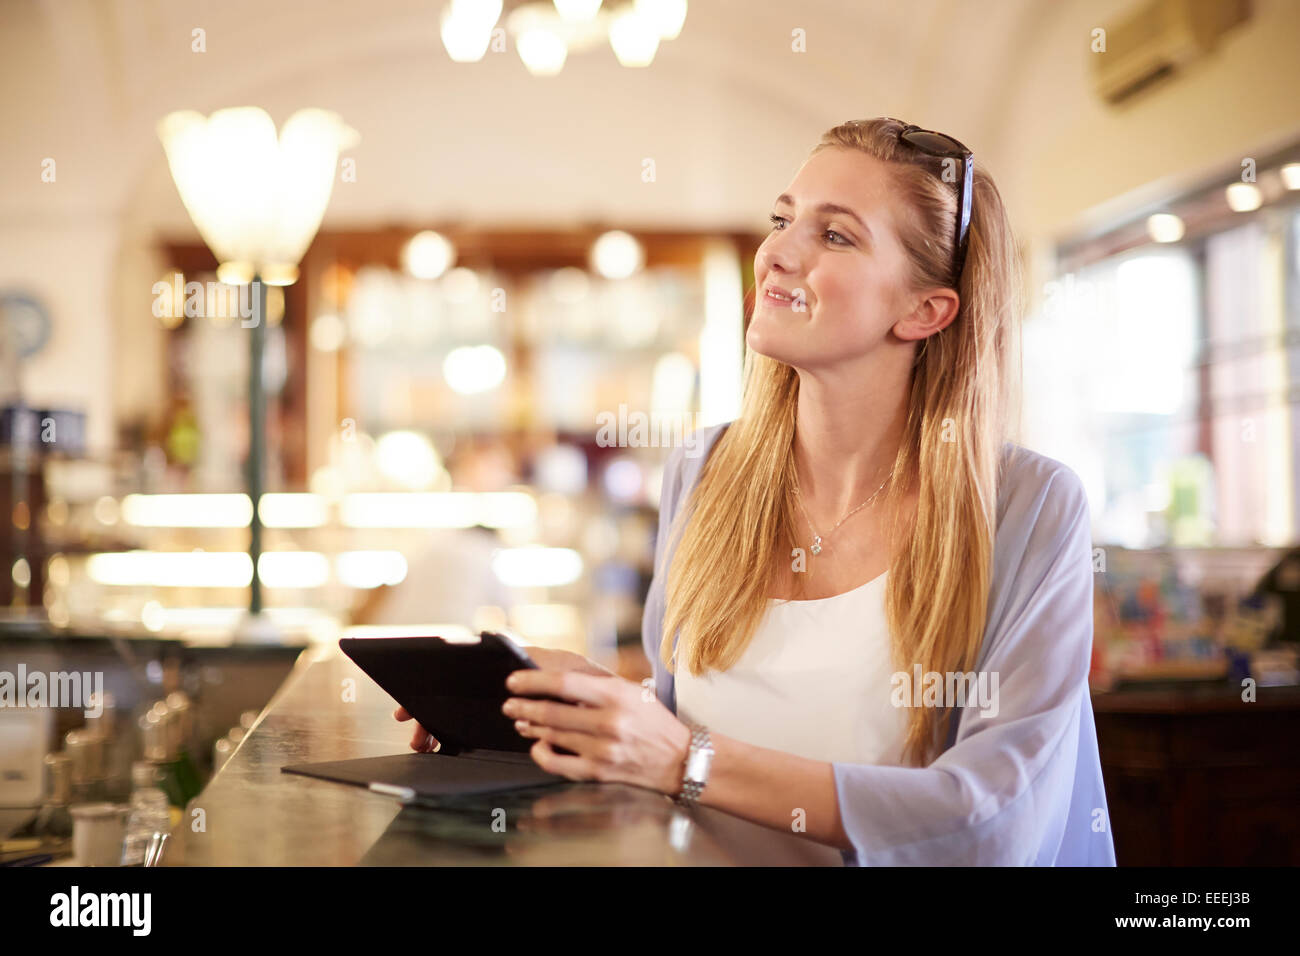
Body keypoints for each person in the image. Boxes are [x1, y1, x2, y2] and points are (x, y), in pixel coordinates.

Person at [396, 117, 1116, 865]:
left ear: (924, 310)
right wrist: (569, 706)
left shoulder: (1028, 507)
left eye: (835, 236)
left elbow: (990, 823)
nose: (777, 252)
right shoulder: (704, 471)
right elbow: (686, 734)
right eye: (782, 220)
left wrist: (682, 758)